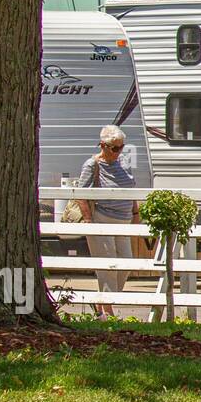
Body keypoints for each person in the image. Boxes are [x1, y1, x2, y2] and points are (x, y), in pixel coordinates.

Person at [77, 125, 140, 318]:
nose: (118, 151)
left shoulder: (124, 163)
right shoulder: (92, 164)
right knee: (108, 266)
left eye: (121, 147)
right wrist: (89, 220)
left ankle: (101, 302)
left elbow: (131, 188)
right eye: (114, 148)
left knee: (126, 263)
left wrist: (136, 213)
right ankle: (108, 311)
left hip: (124, 220)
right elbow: (81, 194)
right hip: (102, 218)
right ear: (103, 146)